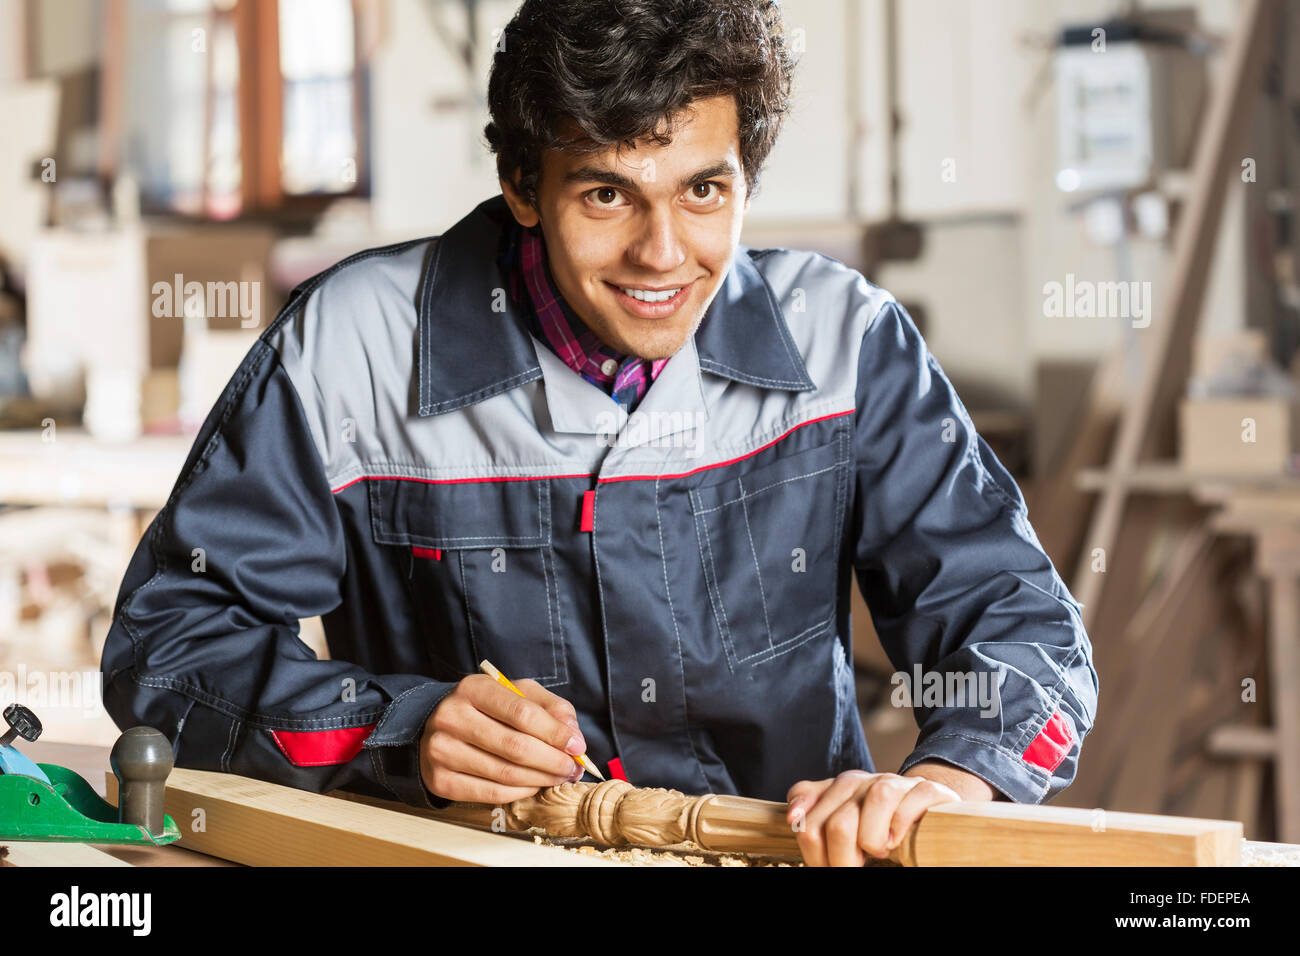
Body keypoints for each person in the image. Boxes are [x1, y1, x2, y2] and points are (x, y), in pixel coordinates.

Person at [101, 0, 1097, 867]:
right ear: (524, 187)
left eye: (703, 190)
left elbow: (1015, 618)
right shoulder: (350, 345)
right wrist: (397, 726)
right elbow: (166, 649)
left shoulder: (844, 339)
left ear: (745, 176)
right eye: (607, 193)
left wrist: (955, 778)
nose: (661, 254)